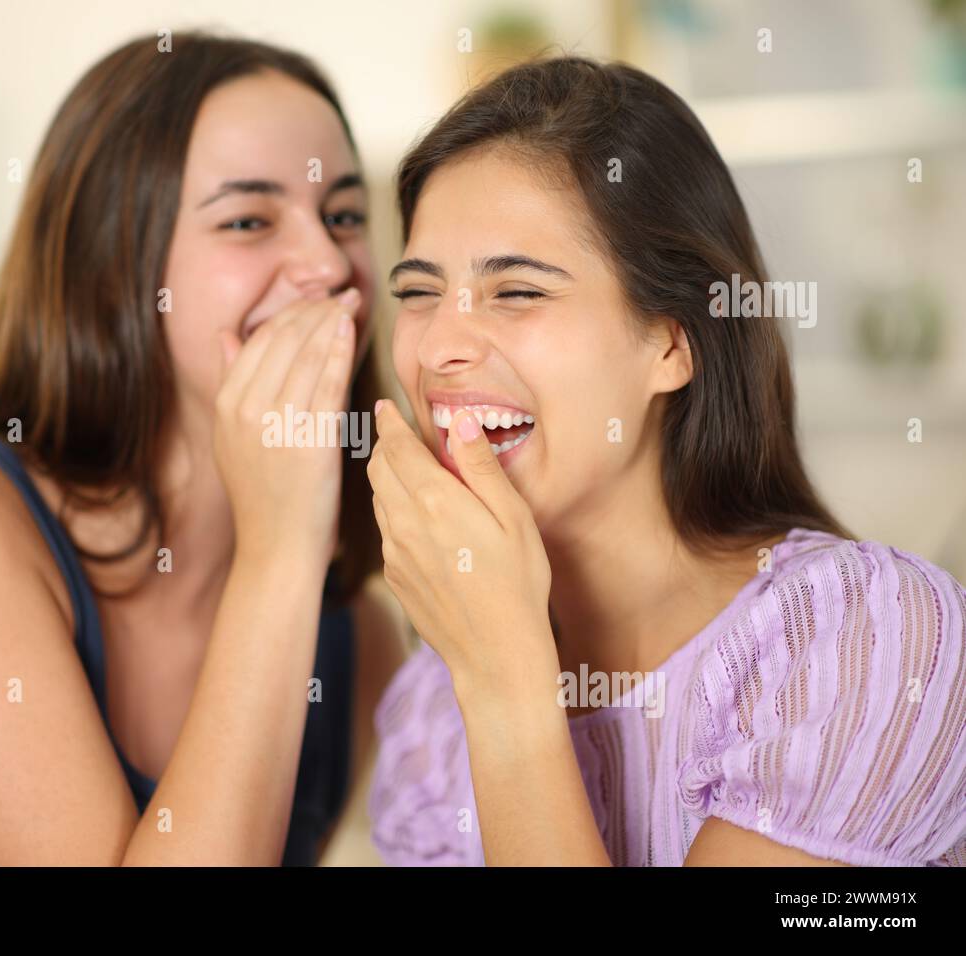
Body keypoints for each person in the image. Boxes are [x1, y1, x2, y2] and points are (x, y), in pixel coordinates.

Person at [0, 31, 408, 866]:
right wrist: (278, 555)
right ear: (109, 265)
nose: (326, 265)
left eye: (344, 215)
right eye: (248, 219)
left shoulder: (355, 641)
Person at [366, 54, 966, 866]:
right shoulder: (430, 725)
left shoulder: (867, 641)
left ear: (672, 343)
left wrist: (507, 688)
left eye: (518, 291)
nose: (438, 348)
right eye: (418, 293)